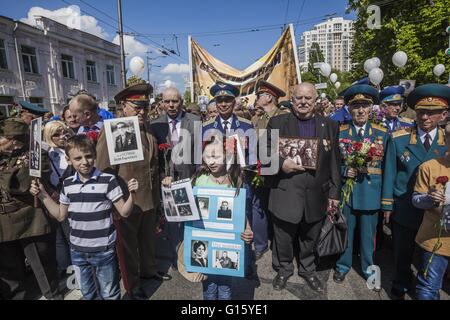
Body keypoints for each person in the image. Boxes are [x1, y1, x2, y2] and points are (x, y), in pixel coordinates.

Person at [30, 135, 139, 300]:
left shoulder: (107, 180)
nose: (84, 162)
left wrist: (132, 195)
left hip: (103, 249)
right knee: (87, 293)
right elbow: (60, 215)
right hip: (77, 251)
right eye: (78, 158)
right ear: (68, 160)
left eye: (88, 156)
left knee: (109, 293)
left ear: (94, 156)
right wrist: (43, 194)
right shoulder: (67, 184)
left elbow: (124, 212)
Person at [96, 83, 171, 300]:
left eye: (145, 107)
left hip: (148, 198)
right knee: (128, 248)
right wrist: (114, 201)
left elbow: (152, 166)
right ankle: (133, 284)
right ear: (123, 106)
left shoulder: (147, 129)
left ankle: (148, 270)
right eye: (136, 106)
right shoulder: (113, 129)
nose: (142, 111)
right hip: (125, 201)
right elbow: (103, 169)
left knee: (147, 240)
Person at [265, 82, 341, 292]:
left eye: (308, 98)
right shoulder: (277, 122)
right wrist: (282, 164)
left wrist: (335, 194)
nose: (304, 102)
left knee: (310, 238)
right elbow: (263, 154)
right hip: (286, 192)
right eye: (299, 97)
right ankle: (284, 269)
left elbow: (335, 163)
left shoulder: (330, 125)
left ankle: (308, 269)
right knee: (283, 238)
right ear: (292, 99)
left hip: (317, 195)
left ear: (316, 101)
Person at [382, 83, 450, 300]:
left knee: (431, 254)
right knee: (402, 251)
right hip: (405, 206)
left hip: (438, 213)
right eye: (421, 112)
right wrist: (387, 205)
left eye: (432, 113)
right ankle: (401, 281)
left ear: (443, 114)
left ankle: (428, 285)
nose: (425, 118)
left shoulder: (447, 142)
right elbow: (390, 174)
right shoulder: (399, 138)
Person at [333, 84, 389, 289]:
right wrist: (342, 171)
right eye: (355, 106)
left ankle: (368, 269)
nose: (360, 110)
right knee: (345, 232)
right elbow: (331, 163)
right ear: (349, 109)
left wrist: (386, 201)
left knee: (368, 237)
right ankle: (342, 265)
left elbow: (388, 168)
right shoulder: (340, 132)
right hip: (347, 194)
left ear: (371, 108)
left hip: (370, 193)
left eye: (364, 105)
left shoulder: (382, 134)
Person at [0, 118, 61, 300]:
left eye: (1, 136)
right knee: (10, 271)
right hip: (3, 223)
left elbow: (22, 183)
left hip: (30, 221)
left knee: (43, 266)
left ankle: (54, 296)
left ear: (14, 140)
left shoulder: (36, 154)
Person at [190, 139, 254, 300]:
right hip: (205, 241)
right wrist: (169, 184)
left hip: (228, 242)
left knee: (225, 289)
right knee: (209, 288)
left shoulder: (235, 180)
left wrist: (247, 228)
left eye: (216, 156)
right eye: (207, 157)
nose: (211, 162)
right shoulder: (199, 179)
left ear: (226, 156)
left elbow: (241, 211)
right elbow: (188, 207)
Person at [150, 87, 200, 270]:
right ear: (162, 103)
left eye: (175, 101)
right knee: (171, 222)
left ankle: (190, 255)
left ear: (181, 102)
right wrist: (163, 176)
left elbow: (199, 153)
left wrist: (197, 176)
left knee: (189, 218)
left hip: (190, 178)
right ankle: (175, 256)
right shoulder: (155, 125)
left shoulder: (195, 121)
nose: (171, 105)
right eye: (167, 101)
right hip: (167, 182)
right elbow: (154, 158)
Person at [412, 122, 450, 300]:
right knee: (428, 288)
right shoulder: (429, 166)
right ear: (446, 140)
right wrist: (430, 198)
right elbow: (416, 200)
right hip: (435, 239)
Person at [42, 120, 73, 278]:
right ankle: (67, 268)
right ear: (49, 136)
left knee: (66, 235)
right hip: (56, 197)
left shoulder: (69, 148)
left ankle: (71, 268)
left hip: (67, 196)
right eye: (57, 134)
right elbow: (49, 178)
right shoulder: (47, 153)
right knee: (62, 235)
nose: (63, 136)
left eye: (64, 132)